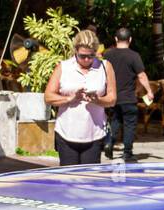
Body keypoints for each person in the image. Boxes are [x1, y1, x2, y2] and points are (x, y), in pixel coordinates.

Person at [44, 29, 115, 166]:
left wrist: (97, 100)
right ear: (75, 50)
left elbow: (112, 99)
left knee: (89, 181)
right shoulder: (63, 67)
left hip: (94, 134)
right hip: (66, 134)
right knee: (68, 180)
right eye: (82, 56)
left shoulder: (105, 67)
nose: (87, 60)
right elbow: (48, 97)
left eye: (91, 56)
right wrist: (69, 98)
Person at [102, 27, 152, 162]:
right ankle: (127, 153)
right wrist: (149, 91)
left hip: (112, 97)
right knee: (129, 124)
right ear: (130, 40)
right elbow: (141, 75)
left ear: (116, 39)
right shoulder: (134, 56)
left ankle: (109, 144)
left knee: (115, 121)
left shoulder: (107, 55)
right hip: (128, 97)